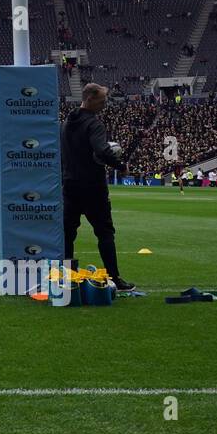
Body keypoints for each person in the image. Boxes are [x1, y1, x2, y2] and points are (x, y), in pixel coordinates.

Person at [61, 83, 135, 292]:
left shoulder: (66, 123)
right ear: (90, 98)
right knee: (104, 232)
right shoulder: (93, 124)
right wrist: (121, 166)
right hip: (92, 187)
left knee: (68, 233)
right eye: (102, 101)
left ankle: (67, 277)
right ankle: (114, 278)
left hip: (70, 184)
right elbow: (101, 151)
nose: (104, 105)